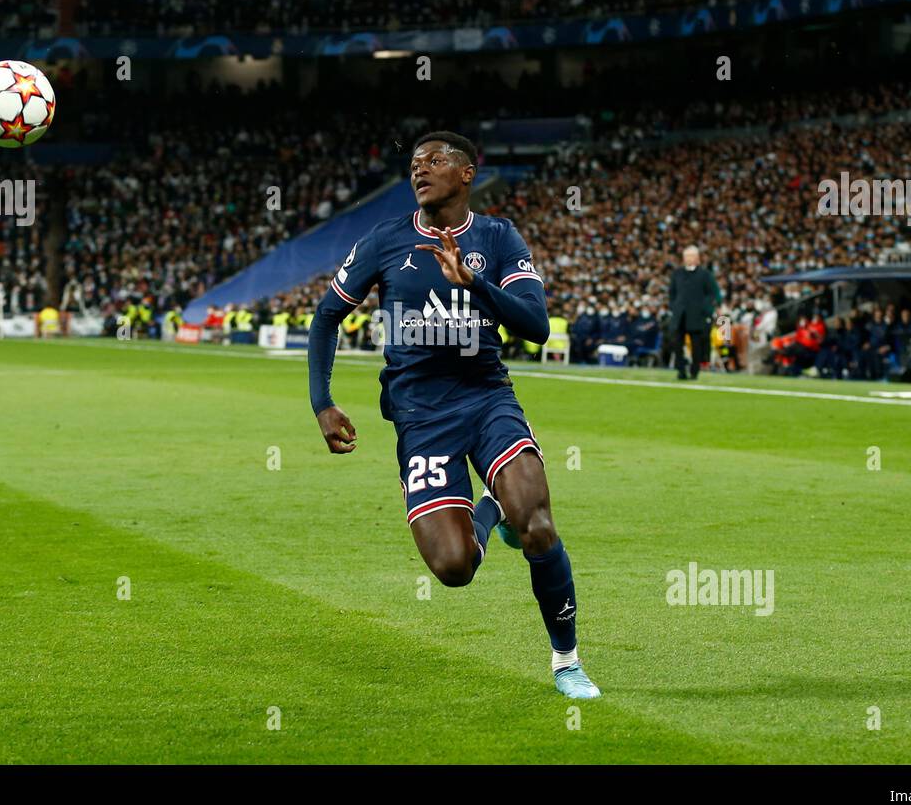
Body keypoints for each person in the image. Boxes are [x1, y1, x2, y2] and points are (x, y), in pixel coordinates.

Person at [306, 131, 600, 699]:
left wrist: (476, 283)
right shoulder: (384, 241)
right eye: (415, 163)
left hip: (487, 397)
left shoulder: (497, 236)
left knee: (538, 523)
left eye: (436, 161)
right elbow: (325, 318)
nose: (421, 169)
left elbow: (536, 328)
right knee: (454, 567)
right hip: (420, 416)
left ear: (467, 174)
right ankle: (490, 513)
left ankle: (567, 661)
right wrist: (322, 402)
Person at [668, 245, 720, 380]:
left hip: (696, 316)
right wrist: (674, 306)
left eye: (691, 256)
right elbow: (672, 293)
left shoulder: (705, 274)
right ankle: (680, 370)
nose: (689, 259)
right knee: (677, 343)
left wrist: (704, 308)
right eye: (686, 256)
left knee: (697, 345)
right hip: (679, 315)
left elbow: (713, 293)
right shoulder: (677, 273)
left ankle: (694, 371)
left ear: (697, 258)